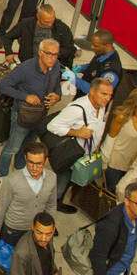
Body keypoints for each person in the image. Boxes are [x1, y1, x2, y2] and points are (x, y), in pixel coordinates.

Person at [0, 39, 63, 177]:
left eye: (55, 54)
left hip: (41, 117)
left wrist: (57, 96)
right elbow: (1, 86)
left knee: (28, 147)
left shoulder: (56, 66)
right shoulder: (25, 69)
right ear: (40, 53)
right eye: (49, 54)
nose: (52, 58)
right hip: (22, 115)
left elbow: (57, 85)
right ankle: (2, 177)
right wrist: (25, 97)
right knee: (12, 148)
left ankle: (20, 168)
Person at [45, 77, 114, 212]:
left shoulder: (101, 107)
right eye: (104, 94)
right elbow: (52, 126)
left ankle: (58, 203)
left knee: (69, 183)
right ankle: (48, 213)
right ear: (92, 92)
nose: (107, 98)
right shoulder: (77, 109)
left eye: (110, 95)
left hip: (84, 156)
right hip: (71, 154)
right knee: (60, 185)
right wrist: (77, 132)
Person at [0, 4, 75, 68]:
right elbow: (8, 37)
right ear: (38, 16)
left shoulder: (62, 29)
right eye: (46, 22)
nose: (50, 24)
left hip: (51, 68)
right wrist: (8, 52)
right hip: (28, 64)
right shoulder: (26, 24)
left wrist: (53, 53)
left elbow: (70, 49)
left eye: (52, 20)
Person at [73, 29, 123, 93]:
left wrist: (74, 80)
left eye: (95, 45)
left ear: (107, 46)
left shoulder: (111, 72)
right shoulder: (102, 52)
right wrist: (81, 68)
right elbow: (95, 66)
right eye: (92, 44)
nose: (92, 47)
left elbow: (97, 91)